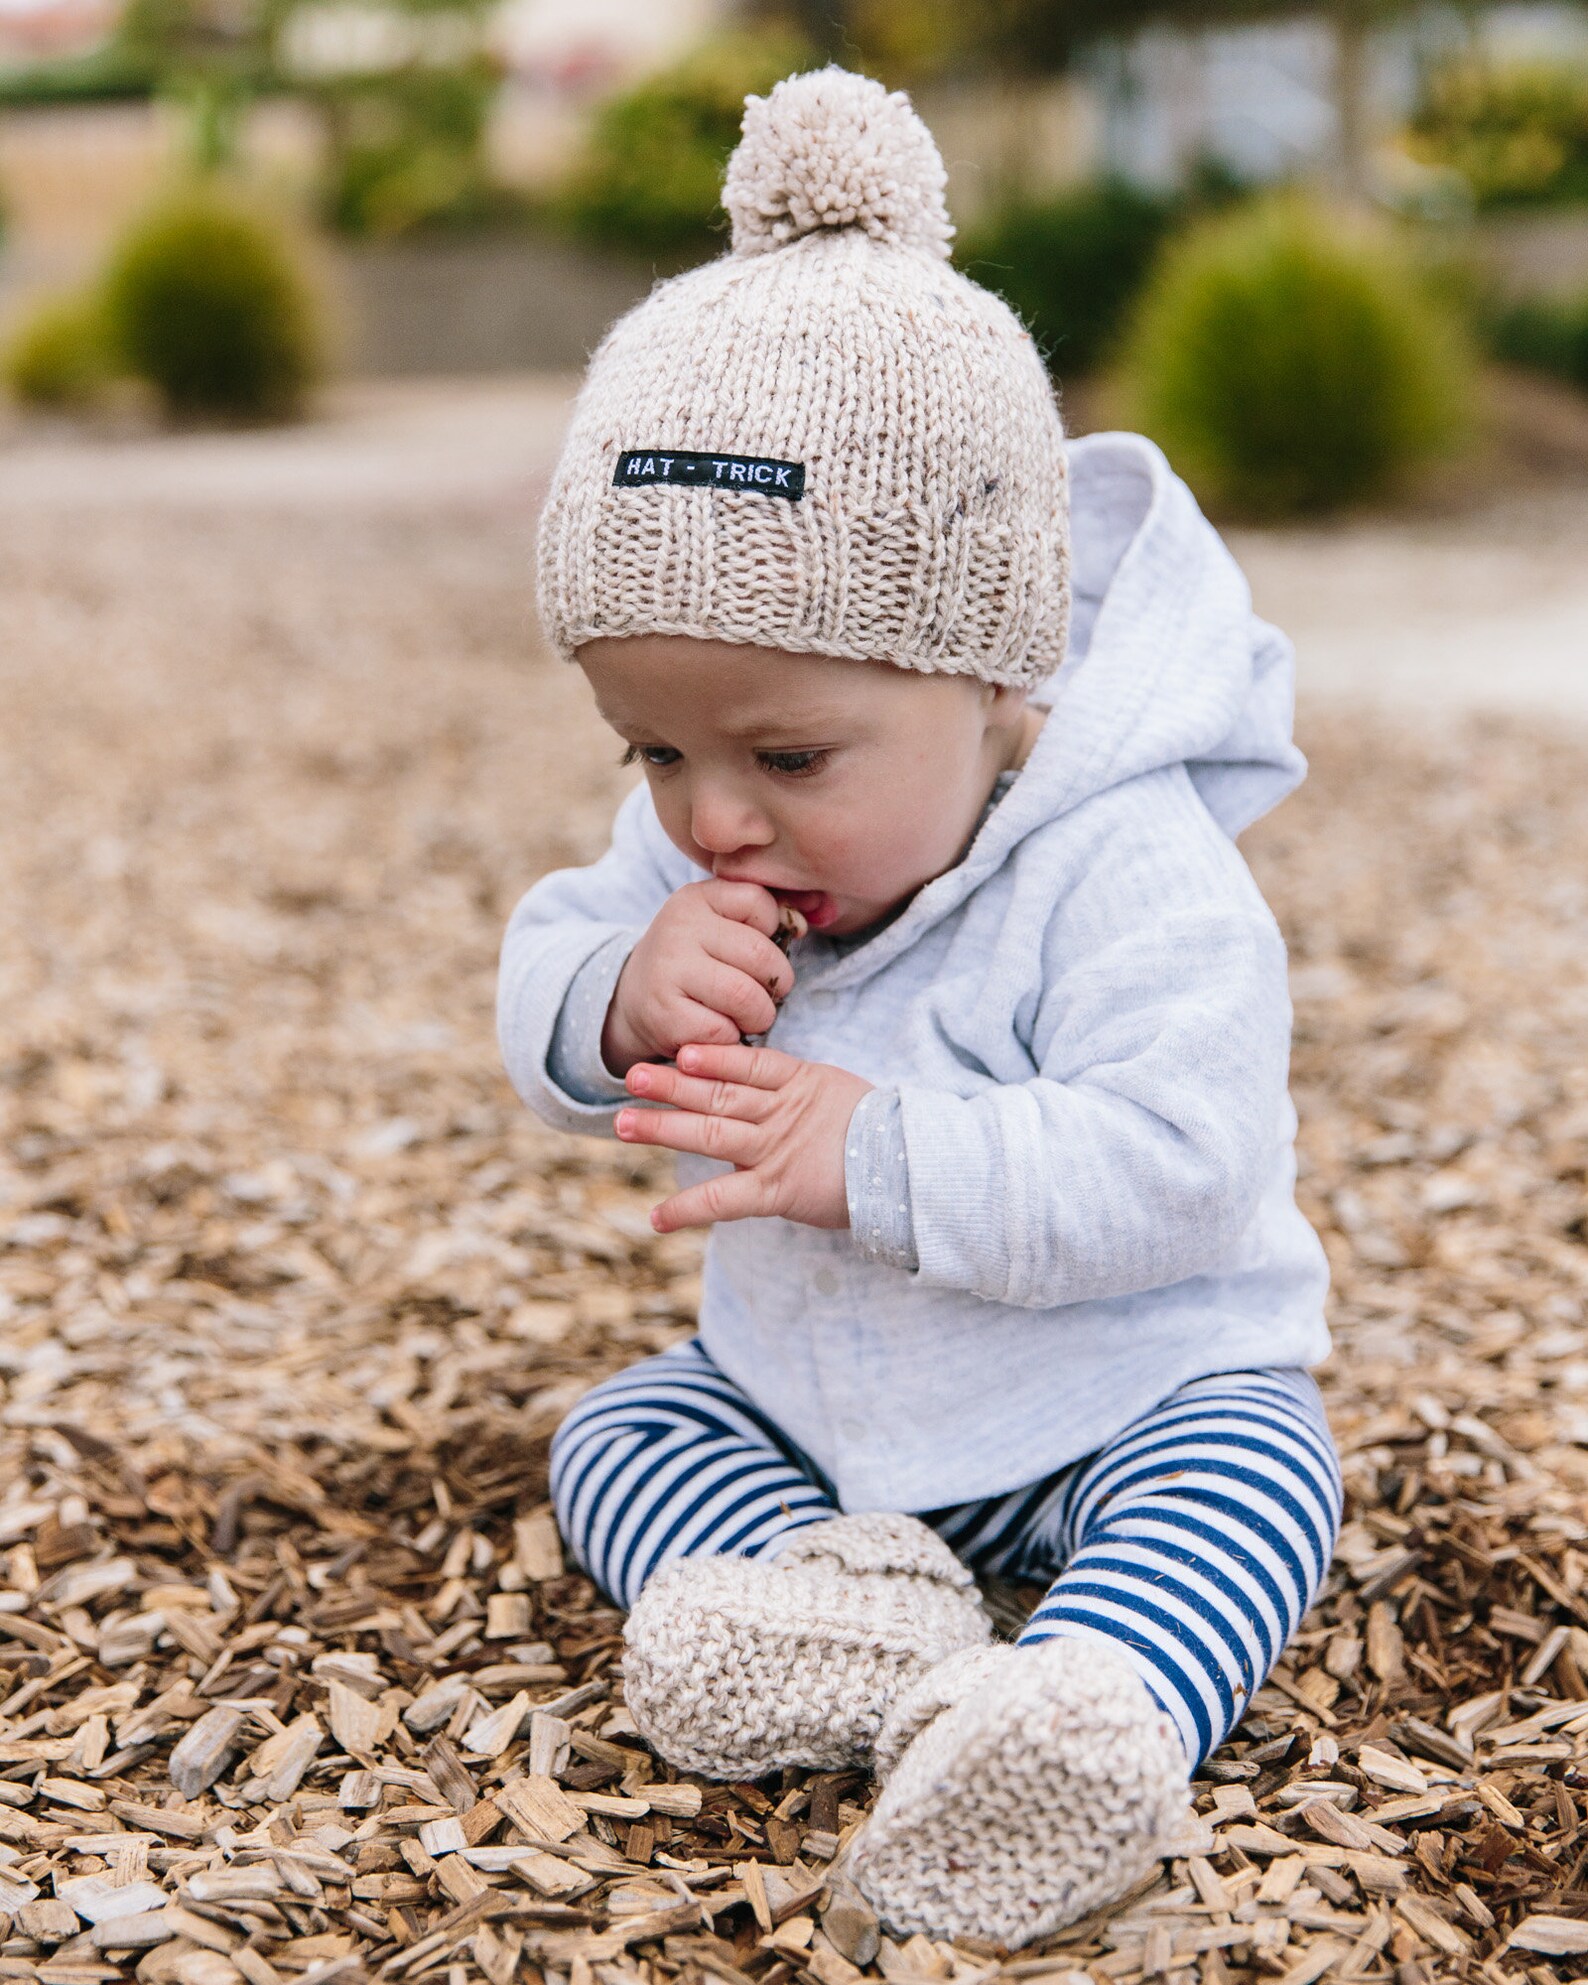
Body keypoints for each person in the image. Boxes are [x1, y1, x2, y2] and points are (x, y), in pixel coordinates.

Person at [498, 66, 1340, 1948]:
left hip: (1117, 1392)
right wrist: (615, 994)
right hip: (818, 1415)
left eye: (788, 751)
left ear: (991, 673)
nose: (712, 817)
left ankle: (1082, 1708)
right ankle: (846, 1616)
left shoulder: (1126, 864)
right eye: (651, 748)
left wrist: (875, 1151)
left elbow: (1187, 1162)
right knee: (622, 1429)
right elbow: (545, 959)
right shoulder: (718, 846)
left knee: (1257, 1474)